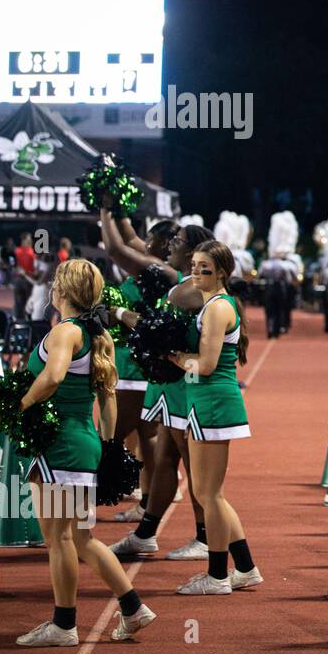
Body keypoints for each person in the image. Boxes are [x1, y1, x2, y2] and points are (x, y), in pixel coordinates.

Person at [14, 259, 157, 646]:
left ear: (63, 291)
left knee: (58, 540)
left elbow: (53, 376)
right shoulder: (98, 334)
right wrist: (108, 447)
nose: (51, 289)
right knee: (82, 539)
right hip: (83, 441)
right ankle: (133, 607)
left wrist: (20, 405)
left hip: (59, 444)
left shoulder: (65, 332)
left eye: (56, 284)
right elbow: (108, 400)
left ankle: (64, 625)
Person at [109, 221, 215, 562]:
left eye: (178, 241)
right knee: (166, 457)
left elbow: (156, 328)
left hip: (187, 386)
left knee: (193, 465)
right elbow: (132, 243)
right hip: (171, 385)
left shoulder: (188, 289)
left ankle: (208, 539)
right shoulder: (184, 283)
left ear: (194, 251)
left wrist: (120, 313)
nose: (171, 244)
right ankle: (145, 533)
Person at [166, 241, 261, 595]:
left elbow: (204, 366)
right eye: (193, 265)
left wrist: (173, 356)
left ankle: (218, 575)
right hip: (203, 402)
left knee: (209, 494)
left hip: (214, 404)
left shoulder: (218, 308)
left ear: (221, 271)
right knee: (209, 493)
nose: (195, 272)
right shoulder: (211, 305)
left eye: (203, 267)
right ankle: (246, 568)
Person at [96, 215, 177, 527]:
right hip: (140, 364)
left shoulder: (159, 272)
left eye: (152, 239)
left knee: (109, 436)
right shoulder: (157, 268)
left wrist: (104, 211)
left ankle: (81, 507)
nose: (145, 243)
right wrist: (117, 208)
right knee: (148, 437)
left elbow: (117, 247)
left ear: (166, 244)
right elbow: (129, 241)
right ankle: (146, 507)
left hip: (134, 366)